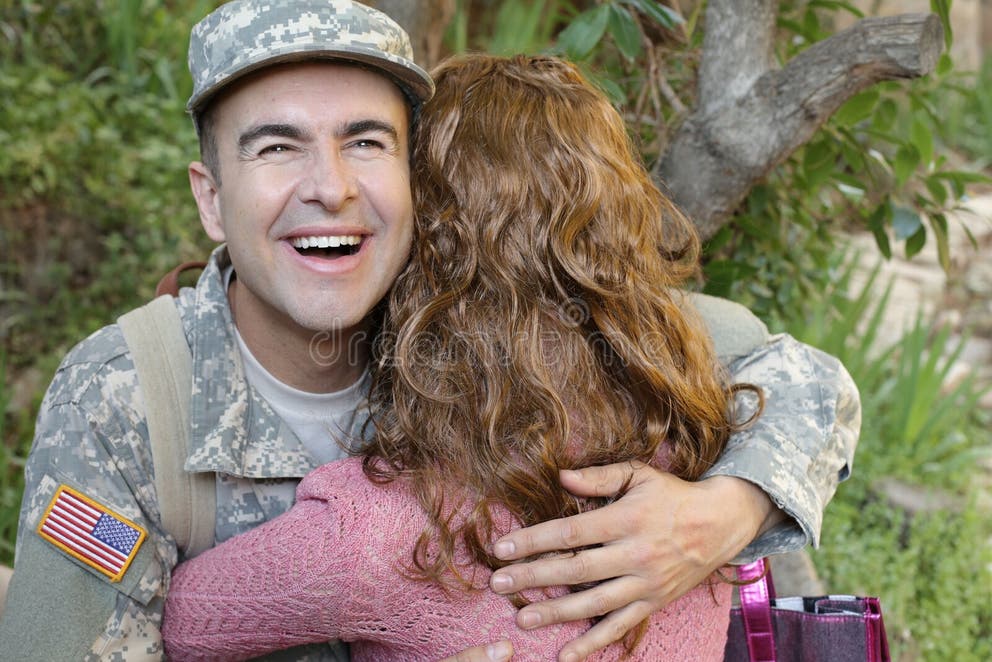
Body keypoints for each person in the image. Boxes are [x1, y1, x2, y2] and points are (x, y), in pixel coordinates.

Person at [0, 2, 859, 661]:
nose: (331, 187)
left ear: (428, 189)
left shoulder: (504, 329)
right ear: (211, 197)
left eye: (366, 142)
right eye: (276, 148)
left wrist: (725, 509)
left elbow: (802, 377)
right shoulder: (126, 400)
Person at [160, 51, 774, 661]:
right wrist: (740, 503)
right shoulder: (706, 442)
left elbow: (177, 624)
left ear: (428, 250)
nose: (338, 191)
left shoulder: (379, 534)